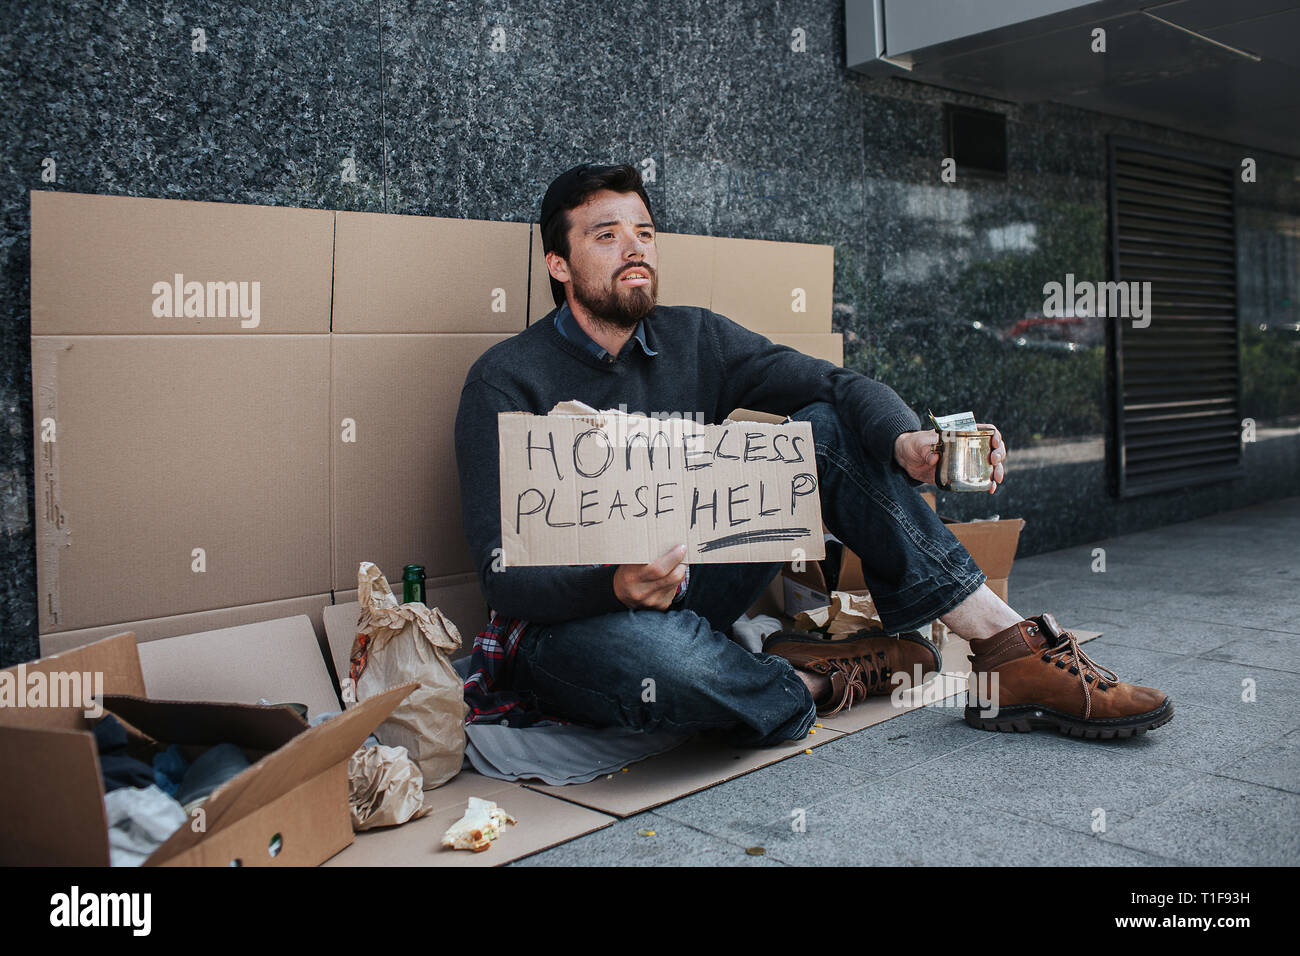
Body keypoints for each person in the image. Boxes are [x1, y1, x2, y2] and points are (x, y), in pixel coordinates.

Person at [452, 162, 1173, 745]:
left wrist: (904, 442)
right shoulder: (506, 379)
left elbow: (833, 382)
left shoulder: (694, 337)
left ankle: (1003, 647)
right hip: (582, 620)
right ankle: (817, 682)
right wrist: (611, 586)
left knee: (823, 427)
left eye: (644, 231)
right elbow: (503, 580)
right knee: (658, 661)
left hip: (697, 585)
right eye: (607, 236)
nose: (636, 248)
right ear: (558, 262)